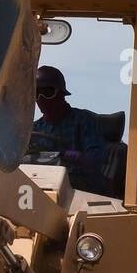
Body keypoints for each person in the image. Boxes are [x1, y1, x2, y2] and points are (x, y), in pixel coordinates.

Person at [28, 65, 111, 194]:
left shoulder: (84, 121)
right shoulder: (34, 129)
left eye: (47, 92)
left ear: (61, 94)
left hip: (82, 191)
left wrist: (72, 156)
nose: (41, 98)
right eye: (36, 93)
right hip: (43, 187)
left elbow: (96, 160)